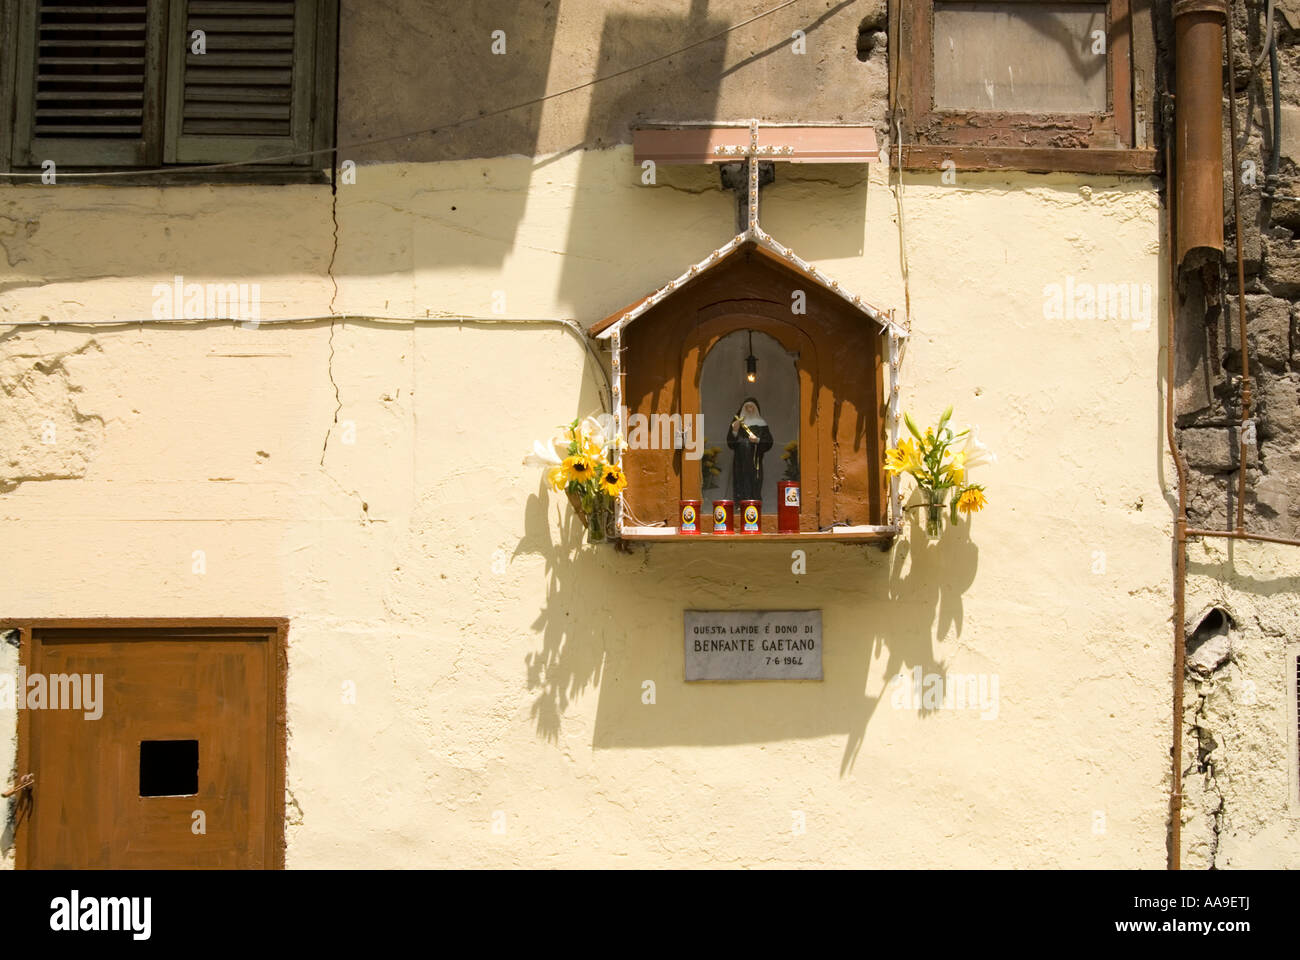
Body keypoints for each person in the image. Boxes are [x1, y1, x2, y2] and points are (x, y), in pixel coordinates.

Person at [727, 397, 773, 503]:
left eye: (751, 407)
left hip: (754, 460)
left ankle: (754, 507)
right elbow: (731, 443)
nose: (749, 410)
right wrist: (734, 431)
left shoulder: (761, 423)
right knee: (741, 482)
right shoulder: (738, 424)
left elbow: (769, 441)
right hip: (740, 462)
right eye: (746, 407)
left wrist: (757, 440)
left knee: (755, 484)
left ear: (755, 409)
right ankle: (740, 507)